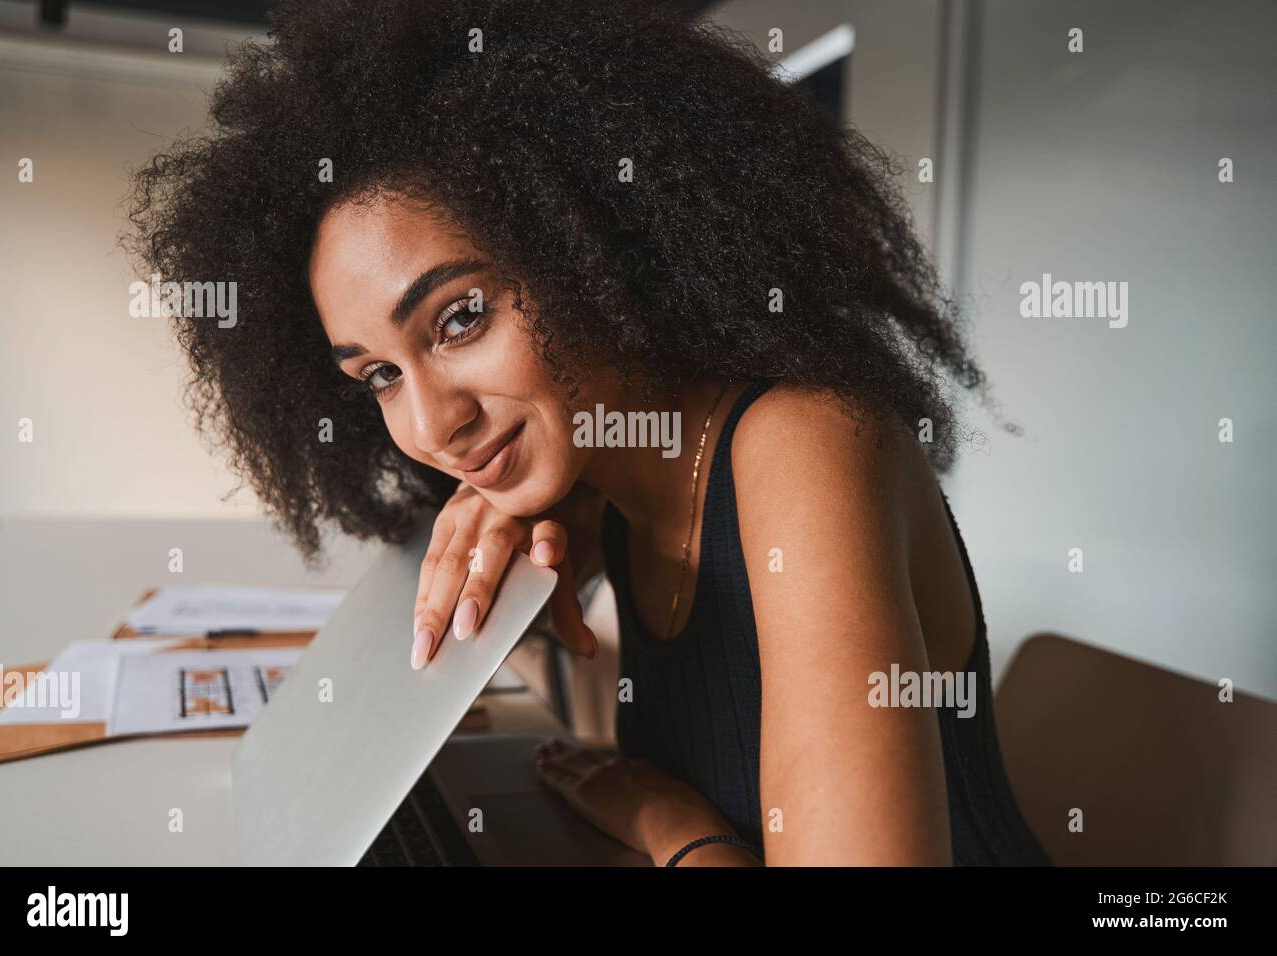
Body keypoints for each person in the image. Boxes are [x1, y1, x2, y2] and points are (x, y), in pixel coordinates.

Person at [127, 0, 1050, 866]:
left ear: (600, 245)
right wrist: (534, 543)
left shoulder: (808, 442)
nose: (433, 424)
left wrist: (673, 829)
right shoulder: (605, 489)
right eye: (379, 375)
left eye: (460, 319)